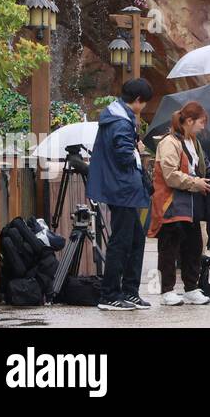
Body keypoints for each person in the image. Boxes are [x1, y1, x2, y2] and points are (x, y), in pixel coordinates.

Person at [88, 78, 154, 311]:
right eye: (144, 103)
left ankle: (129, 291)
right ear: (137, 100)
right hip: (122, 188)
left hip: (122, 188)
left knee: (135, 238)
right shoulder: (120, 122)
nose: (143, 107)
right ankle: (110, 294)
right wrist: (137, 149)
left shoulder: (118, 117)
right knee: (121, 241)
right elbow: (124, 155)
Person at [149, 101, 210, 306]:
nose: (203, 126)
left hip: (192, 204)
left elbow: (206, 165)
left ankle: (191, 288)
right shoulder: (169, 142)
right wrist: (195, 182)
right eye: (201, 122)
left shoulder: (194, 141)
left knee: (194, 246)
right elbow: (170, 175)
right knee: (169, 248)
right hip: (171, 203)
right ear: (189, 121)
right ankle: (167, 290)